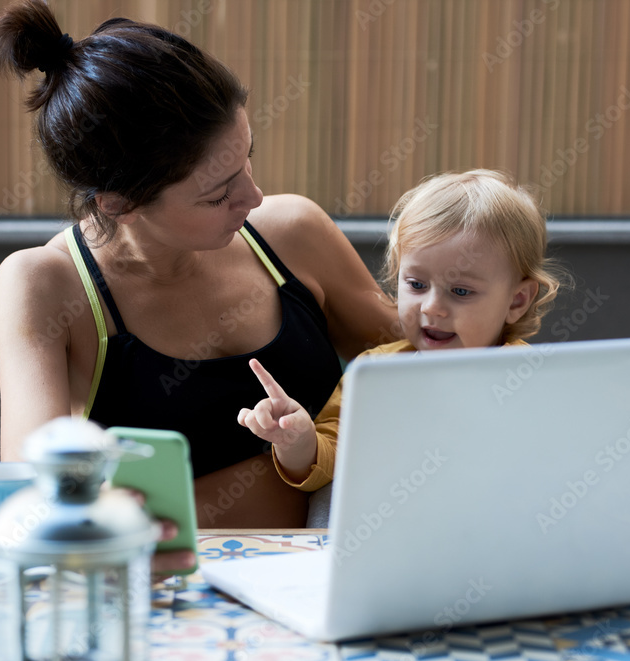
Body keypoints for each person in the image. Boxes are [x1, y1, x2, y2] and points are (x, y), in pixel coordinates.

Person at [0, 0, 399, 571]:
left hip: (342, 572)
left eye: (247, 160)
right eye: (217, 193)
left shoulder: (292, 234)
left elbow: (437, 362)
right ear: (121, 204)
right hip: (175, 602)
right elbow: (37, 490)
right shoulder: (48, 287)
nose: (254, 198)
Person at [238, 169, 565, 523]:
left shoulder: (524, 373)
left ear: (516, 301)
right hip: (379, 537)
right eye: (416, 284)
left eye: (460, 291)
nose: (431, 307)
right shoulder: (376, 372)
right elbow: (329, 460)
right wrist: (297, 441)